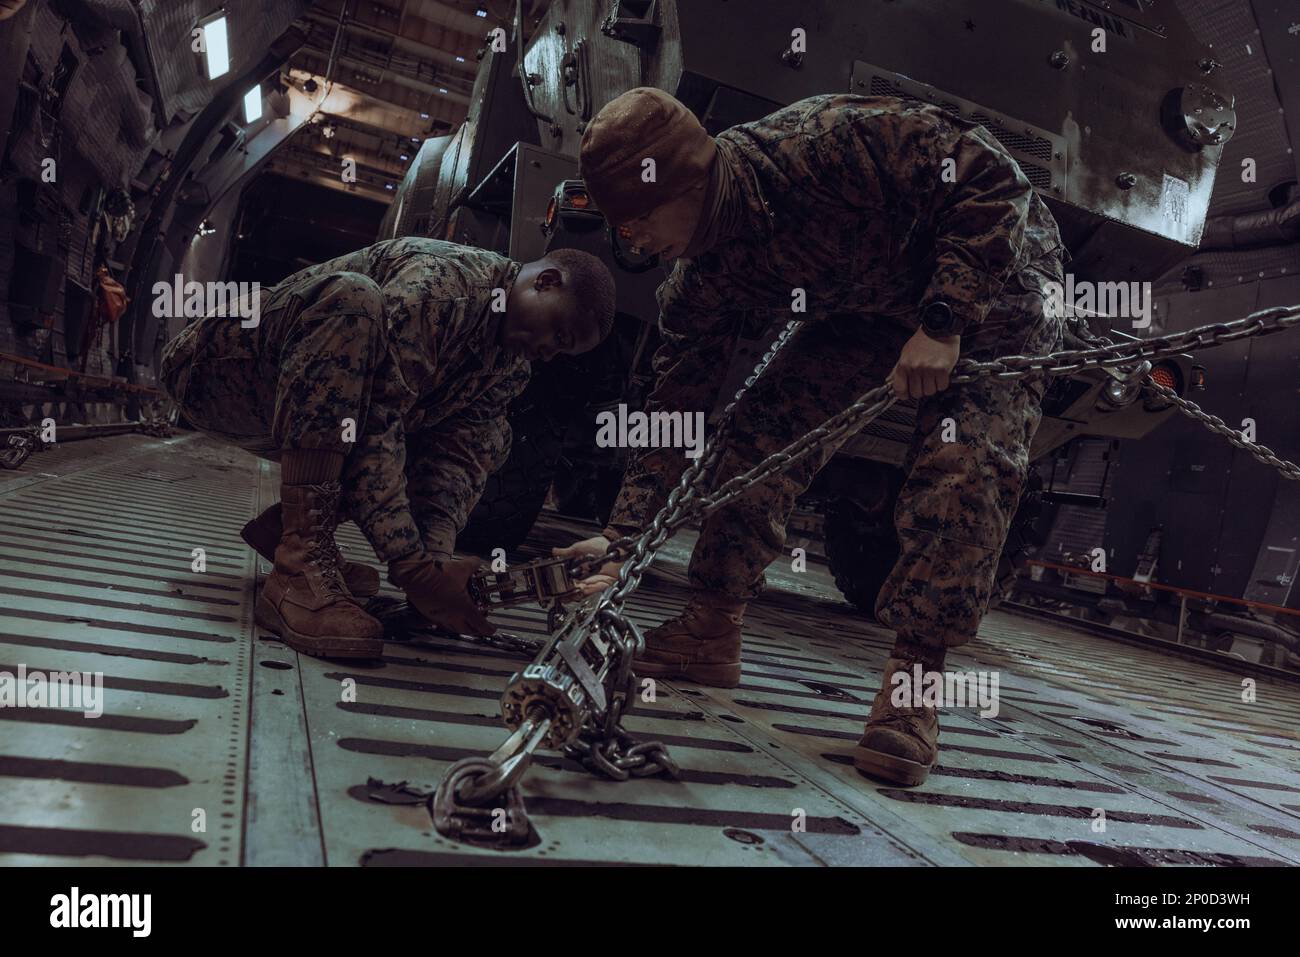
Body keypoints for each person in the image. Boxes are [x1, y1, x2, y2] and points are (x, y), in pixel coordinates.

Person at [555, 88, 1065, 786]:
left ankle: (913, 688)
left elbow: (989, 175)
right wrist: (620, 544)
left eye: (639, 220)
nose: (633, 241)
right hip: (875, 302)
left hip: (996, 275)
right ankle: (711, 622)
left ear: (690, 181)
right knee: (758, 436)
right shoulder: (702, 280)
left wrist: (945, 318)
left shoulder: (820, 145)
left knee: (963, 468)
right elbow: (673, 412)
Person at [161, 237, 616, 659]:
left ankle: (286, 529)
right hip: (216, 368)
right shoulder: (442, 289)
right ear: (546, 281)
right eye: (558, 334)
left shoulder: (508, 368)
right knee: (352, 301)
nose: (548, 352)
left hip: (286, 403)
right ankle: (298, 566)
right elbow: (372, 425)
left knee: (489, 435)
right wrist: (411, 568)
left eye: (562, 352)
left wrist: (435, 565)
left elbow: (454, 461)